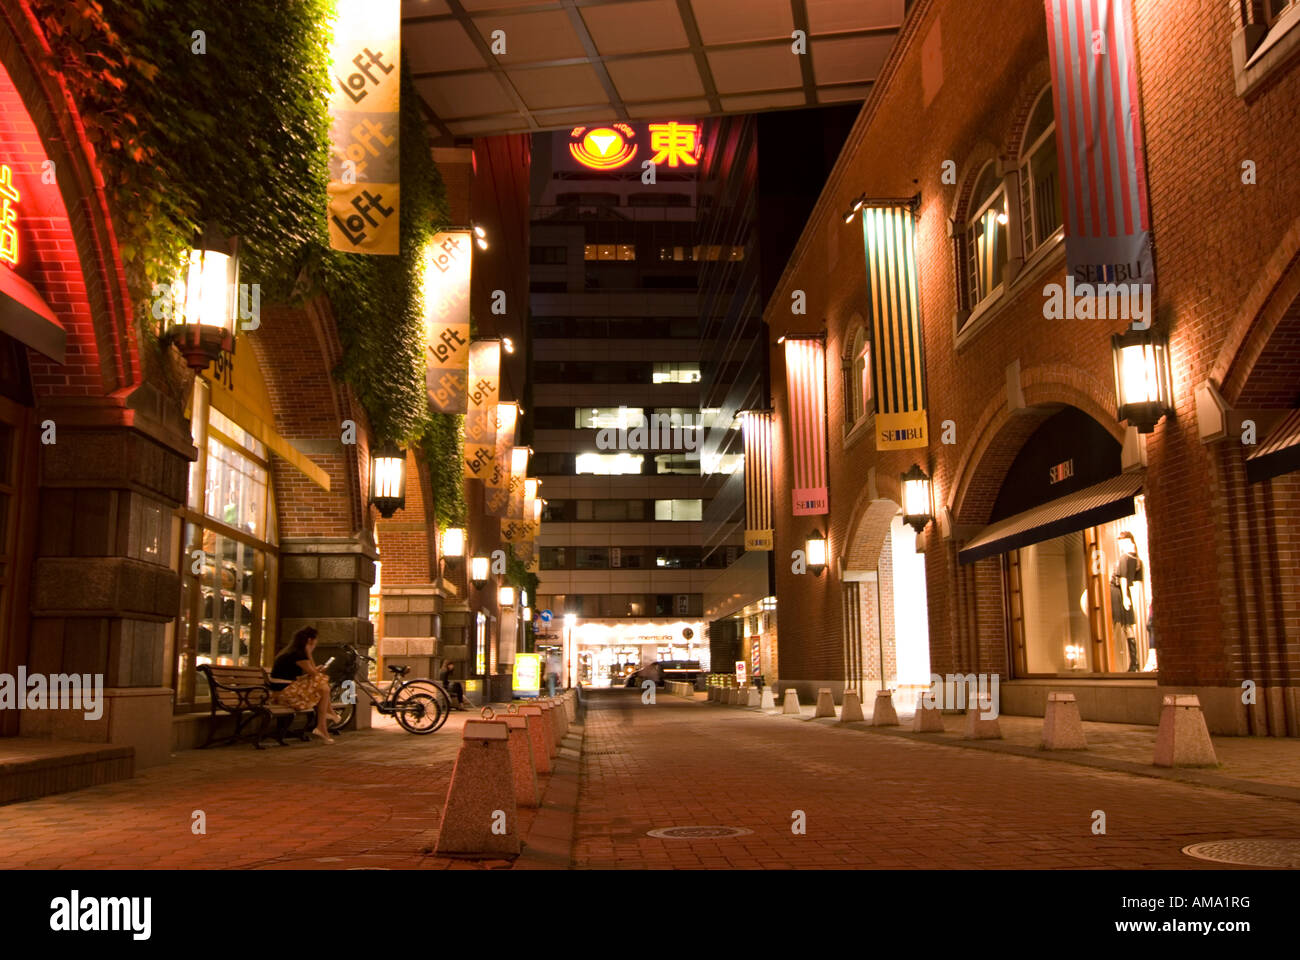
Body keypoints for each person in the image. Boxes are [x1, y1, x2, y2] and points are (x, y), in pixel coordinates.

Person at [270, 626, 338, 743]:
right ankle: (325, 719)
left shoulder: (293, 652)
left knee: (323, 687)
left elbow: (310, 674)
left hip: (285, 690)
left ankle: (323, 725)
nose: (316, 643)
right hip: (283, 694)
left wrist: (315, 669)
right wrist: (309, 653)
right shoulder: (298, 654)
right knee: (322, 684)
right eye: (315, 640)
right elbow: (313, 674)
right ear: (310, 640)